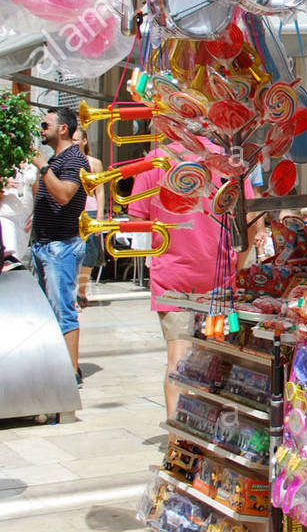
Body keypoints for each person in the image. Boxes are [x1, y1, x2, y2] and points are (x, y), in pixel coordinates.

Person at [130, 141, 248, 413]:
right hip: (219, 277)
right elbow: (248, 221)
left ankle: (178, 444)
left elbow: (139, 221)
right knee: (220, 359)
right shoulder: (229, 161)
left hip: (172, 277)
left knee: (178, 360)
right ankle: (204, 441)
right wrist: (236, 267)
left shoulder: (155, 159)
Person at [30, 107, 88, 385]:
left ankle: (71, 372)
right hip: (46, 245)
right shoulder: (58, 158)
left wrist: (42, 167)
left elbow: (65, 195)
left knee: (64, 309)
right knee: (49, 311)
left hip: (61, 246)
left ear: (62, 128)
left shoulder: (74, 159)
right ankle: (58, 367)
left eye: (45, 124)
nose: (41, 129)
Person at [73, 127, 104, 307]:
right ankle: (73, 293)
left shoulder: (95, 163)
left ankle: (81, 290)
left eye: (78, 139)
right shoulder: (68, 161)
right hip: (73, 213)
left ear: (85, 141)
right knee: (74, 253)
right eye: (73, 139)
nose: (75, 142)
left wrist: (100, 216)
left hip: (90, 212)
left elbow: (100, 191)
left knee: (89, 256)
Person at [1, 156, 37, 266]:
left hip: (25, 216)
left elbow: (36, 189)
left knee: (19, 255)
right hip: (5, 214)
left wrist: (35, 212)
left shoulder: (31, 157)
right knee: (11, 257)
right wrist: (3, 184)